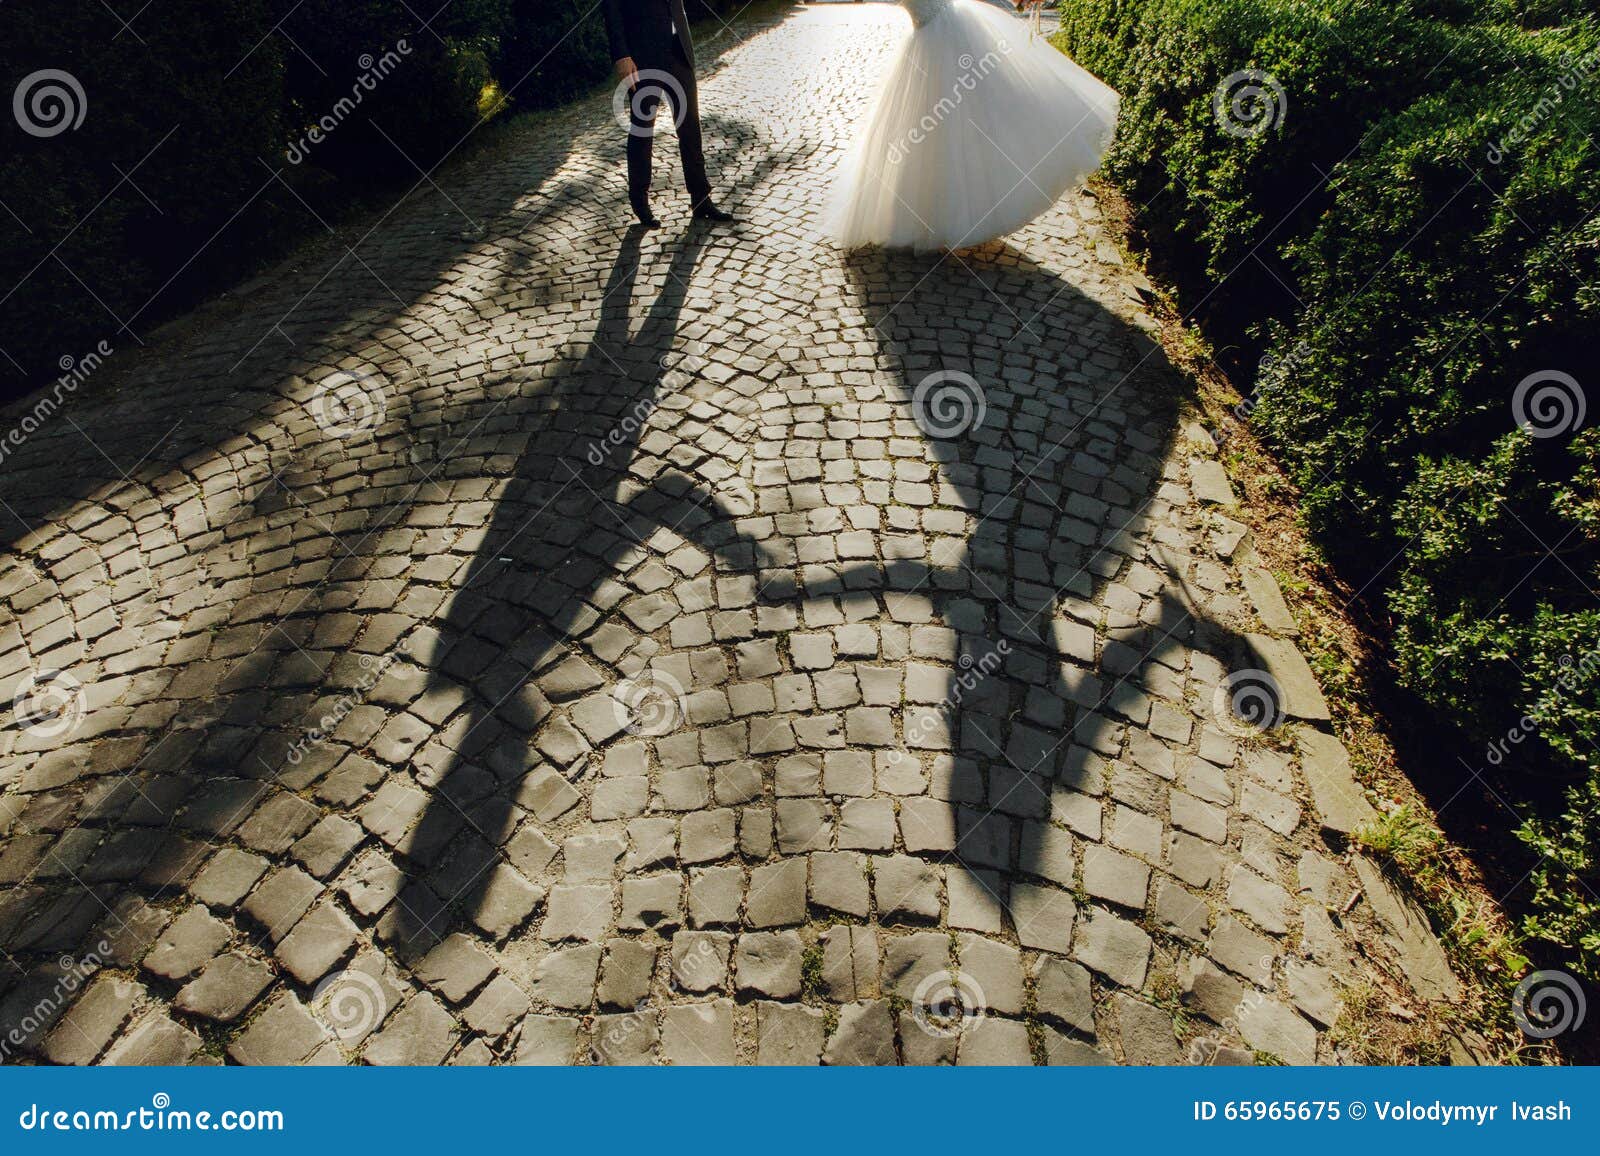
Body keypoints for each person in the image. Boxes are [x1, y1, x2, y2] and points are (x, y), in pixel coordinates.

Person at [827, 0, 1118, 252]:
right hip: (930, 38)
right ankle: (931, 213)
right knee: (936, 129)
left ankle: (964, 207)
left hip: (950, 33)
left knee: (981, 115)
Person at [601, 0, 736, 227]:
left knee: (690, 126)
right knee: (642, 128)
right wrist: (621, 55)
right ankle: (639, 201)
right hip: (642, 54)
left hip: (679, 49)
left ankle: (701, 199)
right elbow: (611, 8)